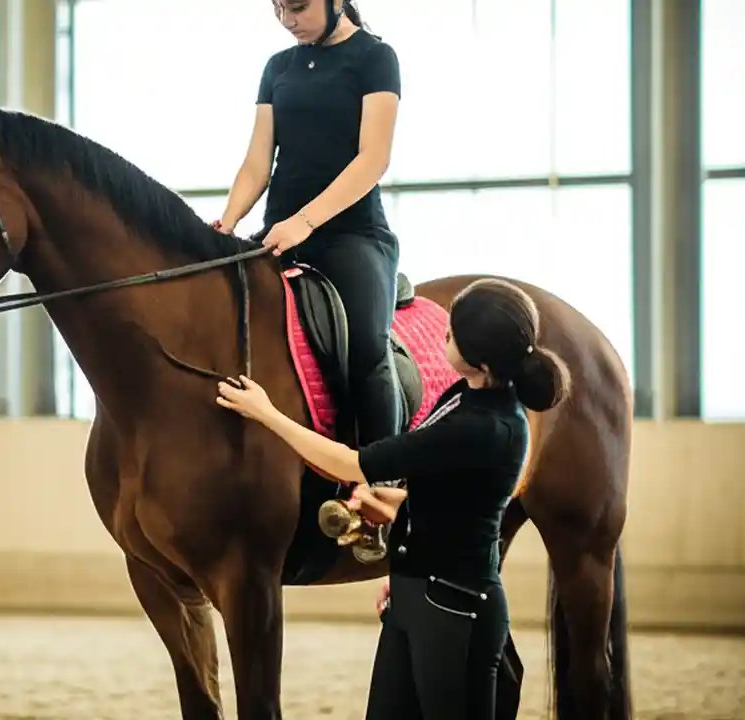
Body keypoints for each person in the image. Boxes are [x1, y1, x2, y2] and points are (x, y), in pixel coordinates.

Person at [216, 278, 573, 720]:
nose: (444, 333)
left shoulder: (487, 426)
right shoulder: (467, 394)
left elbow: (350, 463)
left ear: (481, 360)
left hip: (453, 607)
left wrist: (267, 414)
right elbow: (455, 499)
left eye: (454, 331)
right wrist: (396, 511)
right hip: (414, 594)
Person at [213, 0, 403, 448]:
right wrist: (228, 219)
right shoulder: (278, 66)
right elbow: (258, 162)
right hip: (279, 234)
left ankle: (379, 485)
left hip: (352, 235)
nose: (287, 20)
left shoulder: (376, 58)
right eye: (278, 8)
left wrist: (304, 221)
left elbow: (373, 159)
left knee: (367, 350)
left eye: (298, 7)